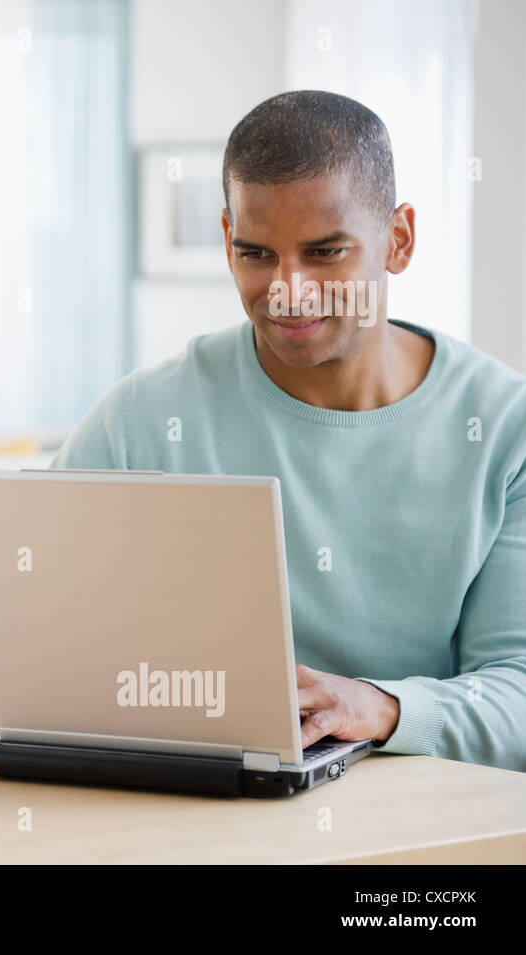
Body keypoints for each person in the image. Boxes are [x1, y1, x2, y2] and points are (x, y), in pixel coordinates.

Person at [53, 90, 526, 771]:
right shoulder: (144, 417)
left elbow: (514, 689)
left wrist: (382, 706)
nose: (288, 290)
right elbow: (5, 615)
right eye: (256, 254)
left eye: (325, 252)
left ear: (399, 239)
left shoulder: (504, 430)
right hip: (195, 810)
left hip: (417, 827)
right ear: (226, 240)